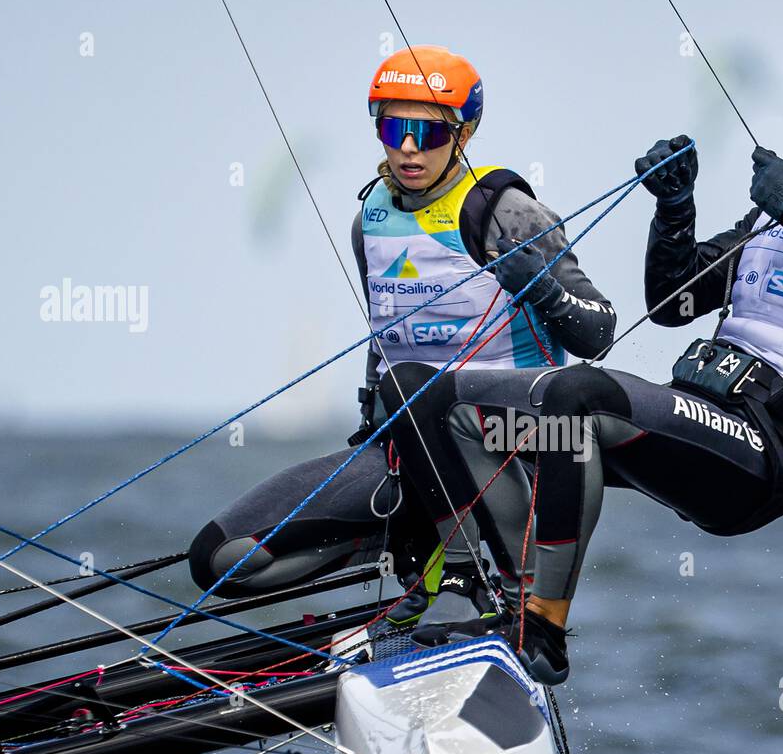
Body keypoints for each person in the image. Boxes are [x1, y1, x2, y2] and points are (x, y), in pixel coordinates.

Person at [381, 23, 783, 684]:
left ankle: (539, 631)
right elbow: (674, 301)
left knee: (577, 398)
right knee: (425, 394)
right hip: (697, 414)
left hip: (764, 455)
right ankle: (457, 594)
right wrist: (675, 206)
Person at [188, 45, 616, 628]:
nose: (409, 148)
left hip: (512, 446)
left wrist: (537, 288)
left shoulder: (507, 212)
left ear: (464, 134)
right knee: (220, 559)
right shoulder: (373, 217)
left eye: (427, 132)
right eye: (394, 128)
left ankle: (508, 599)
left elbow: (598, 332)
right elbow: (384, 340)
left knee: (432, 400)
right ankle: (410, 548)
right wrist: (373, 424)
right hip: (408, 453)